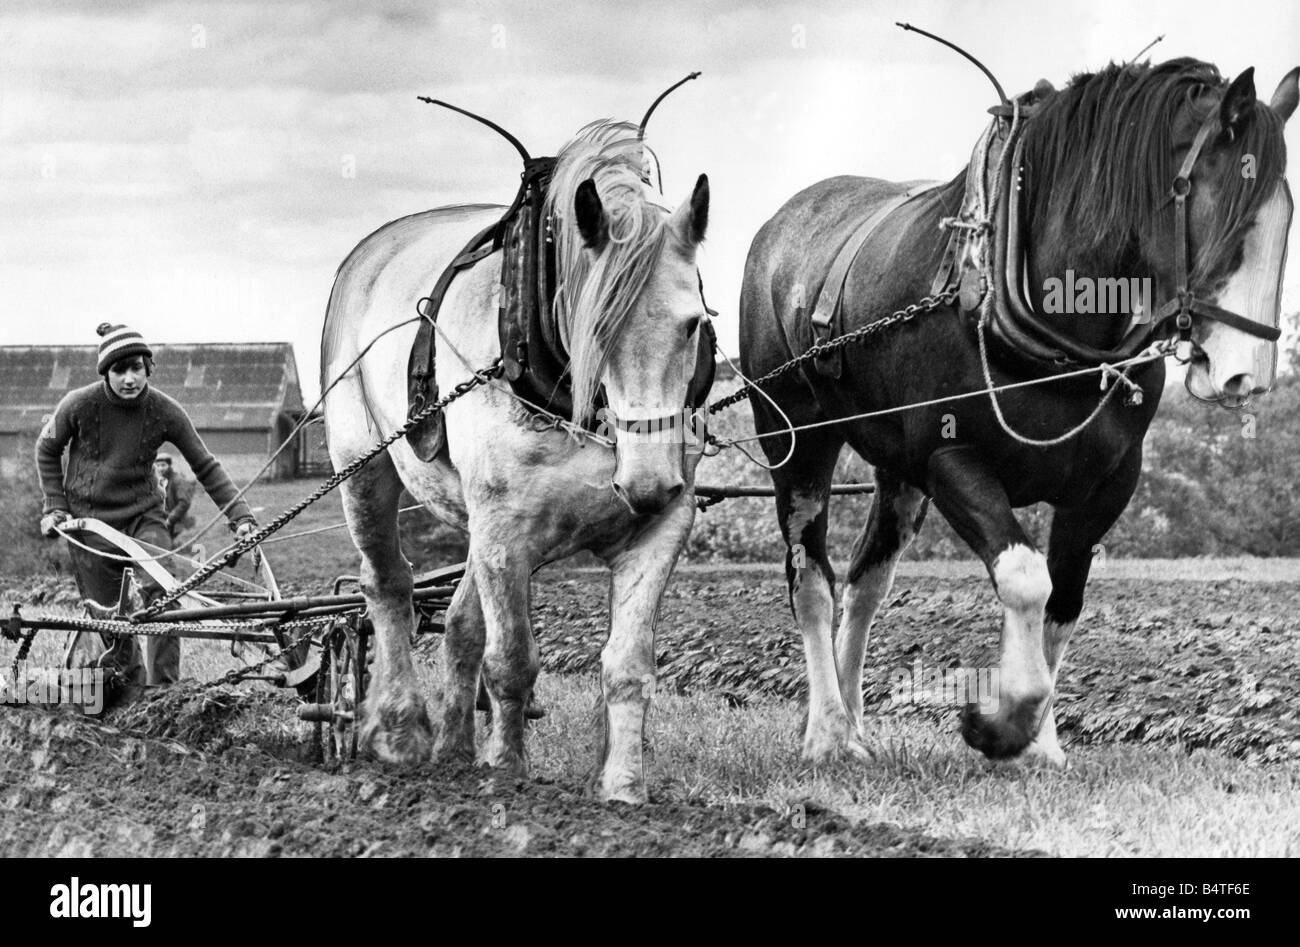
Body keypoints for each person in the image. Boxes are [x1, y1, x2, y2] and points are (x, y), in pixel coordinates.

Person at [35, 323, 259, 708]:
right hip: (91, 521)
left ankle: (166, 694)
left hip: (143, 516)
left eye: (136, 368)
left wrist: (241, 517)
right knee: (109, 615)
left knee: (164, 594)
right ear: (105, 372)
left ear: (148, 367)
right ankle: (132, 694)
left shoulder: (164, 410)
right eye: (119, 370)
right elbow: (47, 449)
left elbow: (205, 465)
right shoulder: (79, 404)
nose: (129, 379)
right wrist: (56, 506)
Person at [153, 452, 196, 549]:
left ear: (169, 465)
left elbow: (184, 503)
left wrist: (170, 519)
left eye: (163, 465)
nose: (160, 468)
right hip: (162, 519)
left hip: (177, 522)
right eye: (158, 465)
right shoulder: (159, 480)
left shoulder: (178, 480)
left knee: (171, 548)